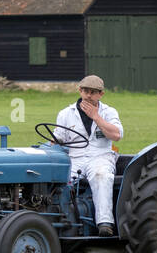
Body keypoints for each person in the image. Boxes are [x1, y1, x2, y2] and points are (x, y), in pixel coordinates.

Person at [51, 75, 124, 236]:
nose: (88, 95)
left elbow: (117, 135)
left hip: (101, 156)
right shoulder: (66, 113)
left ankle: (104, 223)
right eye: (85, 91)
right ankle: (63, 220)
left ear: (101, 94)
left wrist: (96, 117)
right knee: (58, 181)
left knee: (102, 175)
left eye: (93, 92)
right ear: (79, 91)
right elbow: (57, 139)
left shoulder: (108, 112)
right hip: (74, 158)